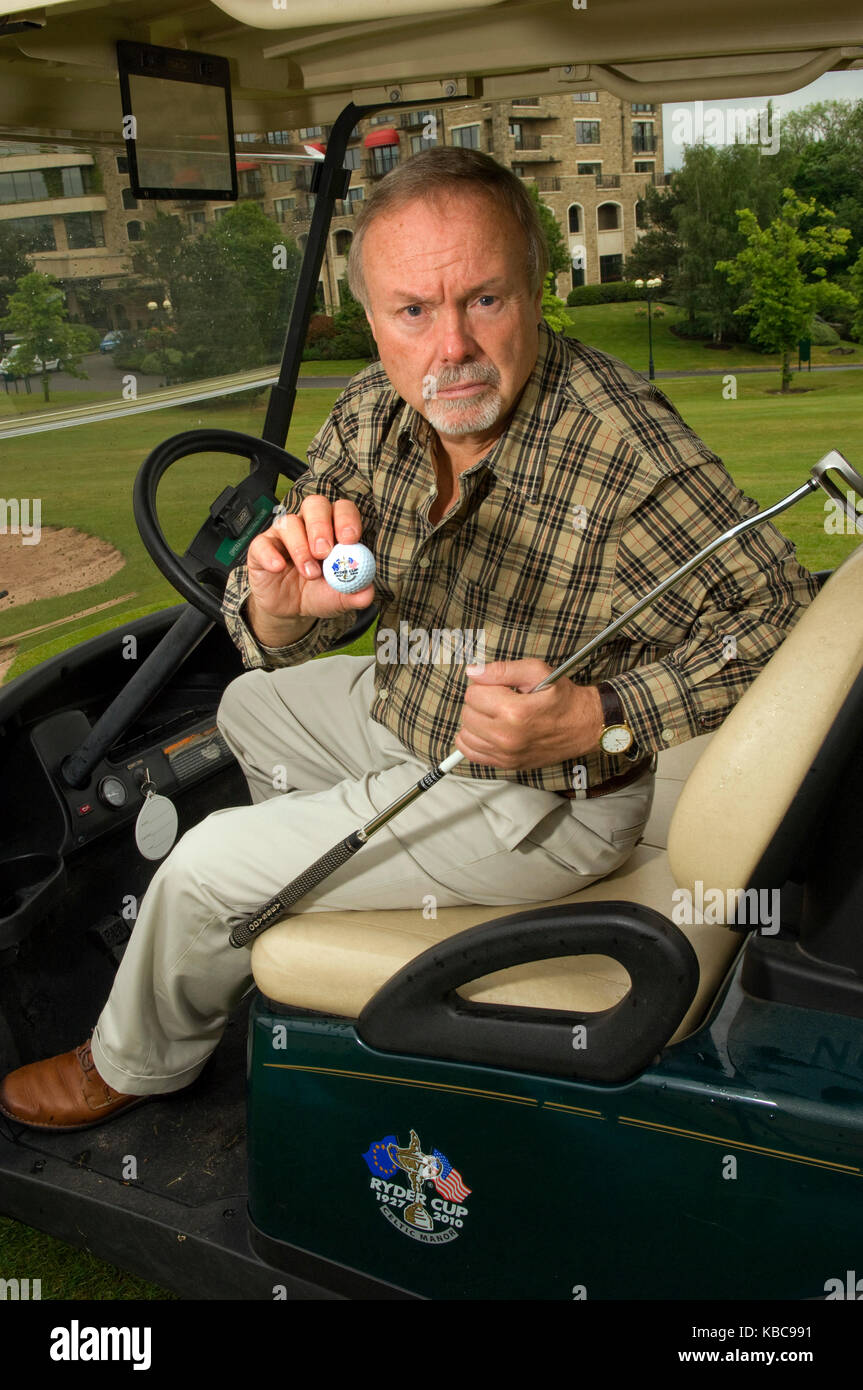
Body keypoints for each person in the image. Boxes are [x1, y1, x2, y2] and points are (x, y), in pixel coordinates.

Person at [0, 147, 818, 1131]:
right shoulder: (374, 410)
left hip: (537, 792)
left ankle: (134, 1059)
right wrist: (279, 607)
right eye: (412, 312)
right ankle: (328, 910)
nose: (450, 351)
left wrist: (595, 719)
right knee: (250, 703)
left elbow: (775, 613)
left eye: (483, 299)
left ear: (535, 287)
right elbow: (300, 603)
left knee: (208, 862)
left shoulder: (621, 449)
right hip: (413, 698)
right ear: (373, 316)